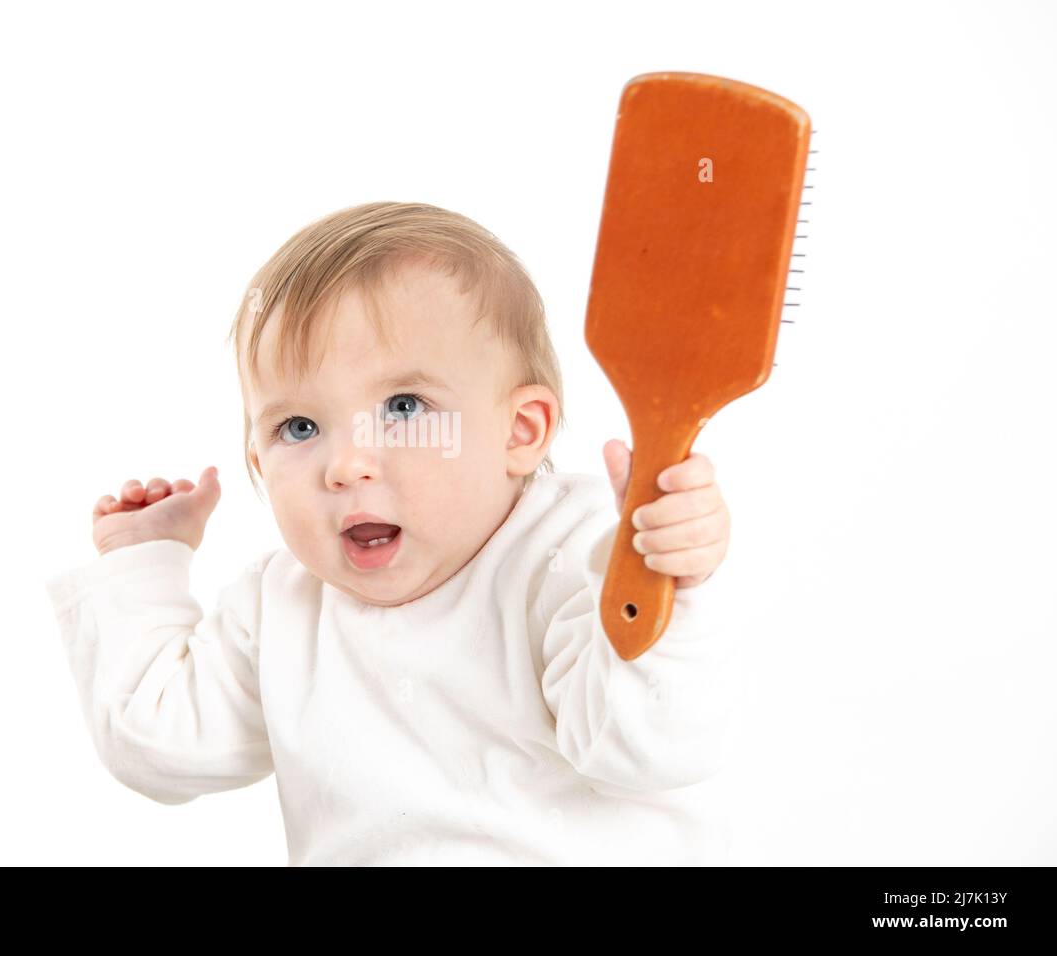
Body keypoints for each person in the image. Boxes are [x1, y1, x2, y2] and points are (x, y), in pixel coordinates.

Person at [44, 201, 738, 865]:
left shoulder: (571, 554)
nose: (345, 465)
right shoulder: (280, 602)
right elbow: (162, 747)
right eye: (299, 428)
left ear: (520, 432)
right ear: (257, 461)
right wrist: (141, 564)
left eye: (404, 407)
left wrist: (658, 576)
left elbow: (649, 746)